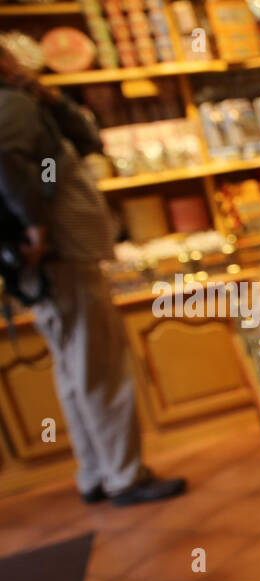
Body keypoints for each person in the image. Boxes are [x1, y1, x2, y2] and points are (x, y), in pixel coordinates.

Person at [0, 49, 184, 505]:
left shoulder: (20, 103)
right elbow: (18, 167)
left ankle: (97, 471)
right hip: (63, 253)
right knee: (96, 364)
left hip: (48, 258)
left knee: (73, 365)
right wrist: (36, 225)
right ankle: (124, 475)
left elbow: (71, 146)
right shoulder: (14, 106)